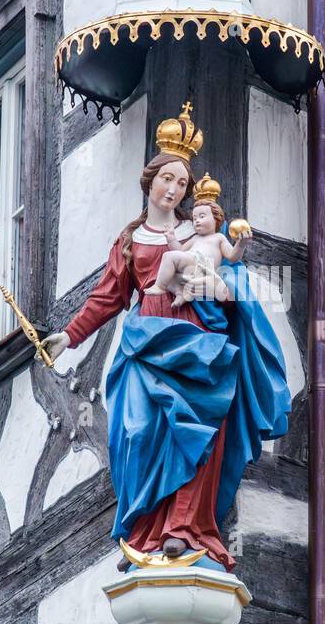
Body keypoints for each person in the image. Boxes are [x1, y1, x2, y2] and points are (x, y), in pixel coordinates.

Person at [39, 105, 290, 573]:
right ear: (149, 181)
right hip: (145, 341)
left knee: (197, 431)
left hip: (195, 337)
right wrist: (68, 338)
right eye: (166, 179)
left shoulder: (200, 235)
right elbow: (107, 298)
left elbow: (234, 284)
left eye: (181, 183)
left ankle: (183, 529)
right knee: (138, 431)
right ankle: (142, 531)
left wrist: (215, 285)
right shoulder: (131, 240)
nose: (174, 189)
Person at [147, 176, 251, 307]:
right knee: (168, 275)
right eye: (194, 217)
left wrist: (240, 244)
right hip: (189, 269)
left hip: (202, 267)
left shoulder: (218, 238)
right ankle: (180, 293)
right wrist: (172, 239)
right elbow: (180, 251)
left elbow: (233, 257)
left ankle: (159, 287)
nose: (196, 220)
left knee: (168, 257)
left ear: (216, 219)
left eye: (202, 216)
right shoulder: (195, 238)